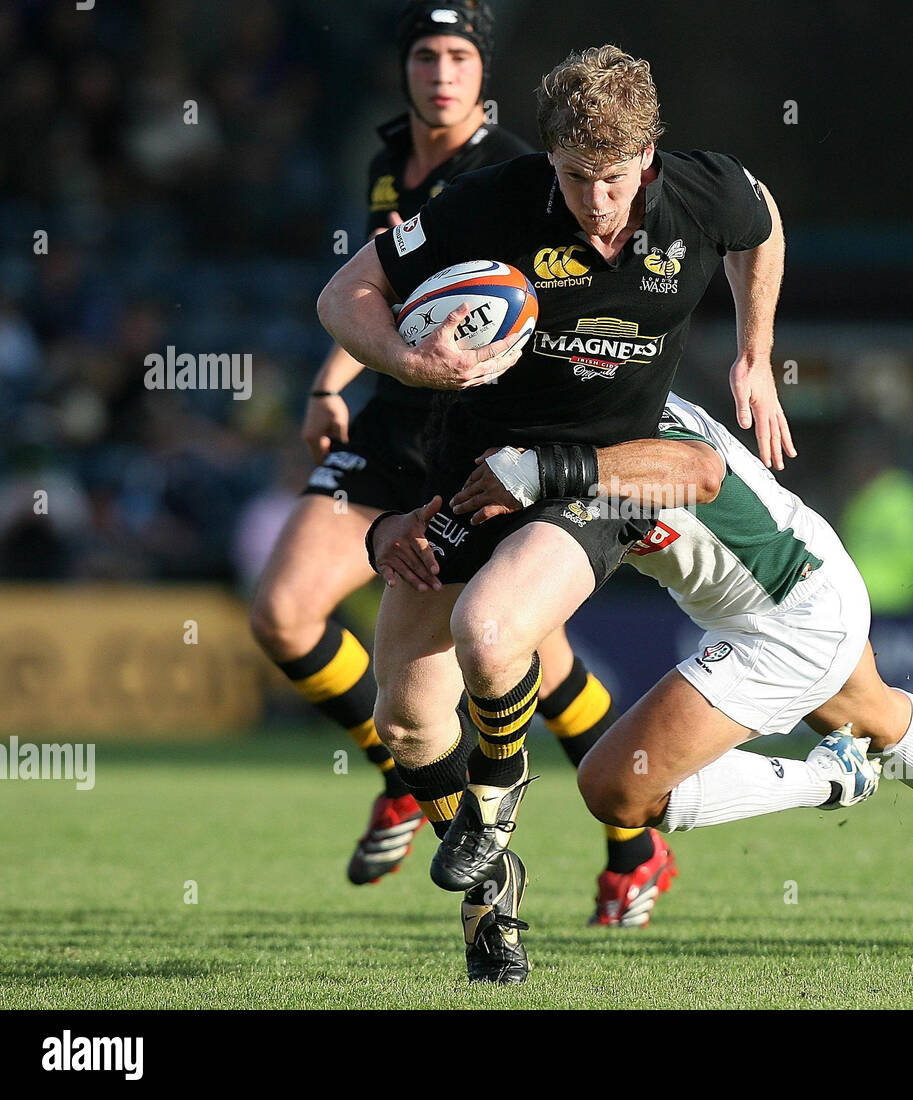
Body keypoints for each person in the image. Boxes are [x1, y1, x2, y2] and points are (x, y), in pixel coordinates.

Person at [318, 45, 793, 980]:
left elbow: (764, 224)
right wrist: (414, 363)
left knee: (490, 635)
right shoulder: (494, 200)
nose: (596, 200)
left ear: (648, 159)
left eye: (614, 179)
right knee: (408, 719)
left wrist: (755, 350)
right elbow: (344, 296)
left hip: (602, 476)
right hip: (474, 476)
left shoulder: (702, 194)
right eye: (576, 177)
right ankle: (499, 889)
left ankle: (490, 823)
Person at [249, 3, 640, 908]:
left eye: (458, 55)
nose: (440, 72)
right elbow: (379, 290)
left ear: (483, 72)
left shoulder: (513, 173)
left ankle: (630, 844)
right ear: (406, 69)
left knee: (530, 654)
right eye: (425, 55)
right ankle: (405, 776)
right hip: (393, 420)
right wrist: (328, 385)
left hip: (483, 434)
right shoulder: (390, 161)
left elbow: (533, 302)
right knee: (282, 612)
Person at [410, 393, 913, 941]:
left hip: (788, 618)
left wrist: (541, 476)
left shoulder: (622, 423)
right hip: (805, 576)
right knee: (872, 712)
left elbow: (698, 471)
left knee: (616, 787)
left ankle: (829, 781)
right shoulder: (579, 405)